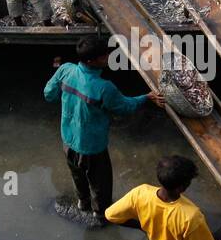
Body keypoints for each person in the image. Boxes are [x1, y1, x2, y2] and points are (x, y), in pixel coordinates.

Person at [45, 36, 164, 224]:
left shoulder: (65, 70)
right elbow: (124, 107)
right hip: (93, 147)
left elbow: (48, 94)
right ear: (91, 60)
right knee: (101, 184)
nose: (108, 57)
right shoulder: (104, 88)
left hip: (68, 140)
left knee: (77, 174)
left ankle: (82, 203)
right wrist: (146, 97)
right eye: (104, 56)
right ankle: (101, 214)